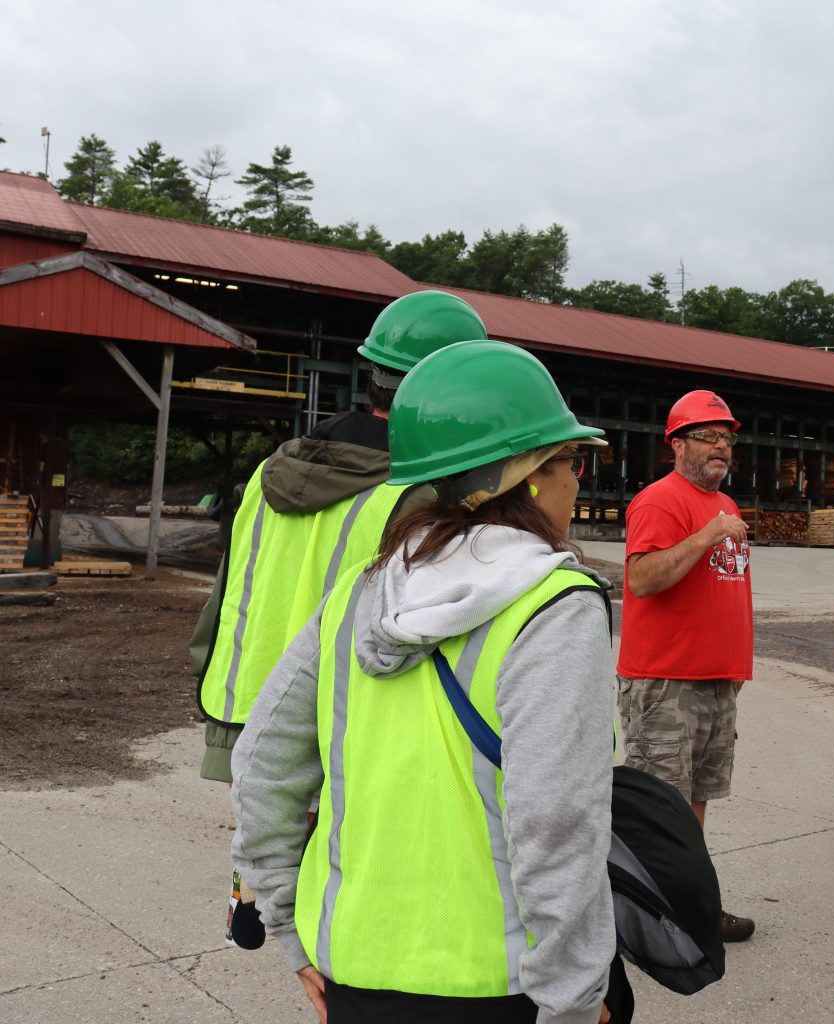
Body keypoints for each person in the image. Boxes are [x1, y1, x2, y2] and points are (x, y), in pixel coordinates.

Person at [231, 339, 618, 1024]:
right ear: (523, 475)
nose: (579, 479)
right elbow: (555, 820)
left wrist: (291, 930)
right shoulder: (554, 604)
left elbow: (263, 763)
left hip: (351, 967)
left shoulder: (360, 592)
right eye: (571, 460)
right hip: (496, 983)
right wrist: (573, 997)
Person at [191, 289, 487, 941]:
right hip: (341, 710)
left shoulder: (272, 469)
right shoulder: (420, 497)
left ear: (372, 375)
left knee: (270, 834)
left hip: (249, 700)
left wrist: (210, 681)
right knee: (343, 898)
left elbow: (227, 591)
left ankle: (254, 896)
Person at [617, 388, 756, 942]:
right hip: (666, 680)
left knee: (694, 802)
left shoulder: (725, 505)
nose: (721, 447)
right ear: (677, 443)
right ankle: (646, 919)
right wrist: (706, 535)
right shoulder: (660, 500)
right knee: (659, 807)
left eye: (727, 438)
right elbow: (642, 579)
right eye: (708, 436)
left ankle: (689, 905)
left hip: (716, 680)